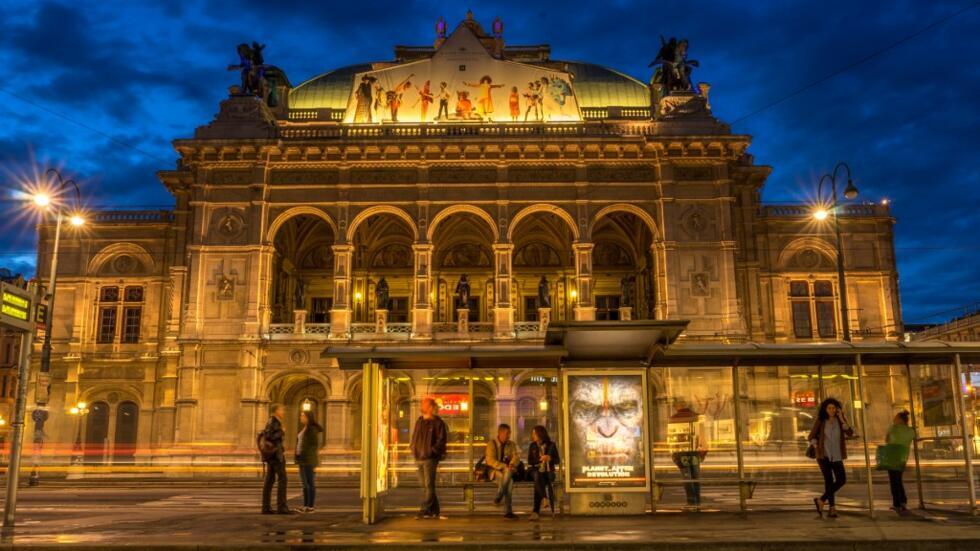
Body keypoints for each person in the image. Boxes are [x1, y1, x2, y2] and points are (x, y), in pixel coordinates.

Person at [808, 397, 855, 518]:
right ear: (825, 409)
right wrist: (815, 444)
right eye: (829, 408)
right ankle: (832, 508)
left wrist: (841, 418)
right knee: (828, 481)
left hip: (837, 455)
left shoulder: (840, 421)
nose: (831, 410)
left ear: (837, 409)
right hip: (824, 455)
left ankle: (821, 500)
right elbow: (811, 436)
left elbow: (850, 432)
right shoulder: (821, 420)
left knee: (841, 480)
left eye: (834, 408)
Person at [410, 397, 448, 519]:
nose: (422, 405)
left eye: (424, 404)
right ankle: (435, 510)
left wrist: (431, 451)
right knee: (426, 485)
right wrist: (413, 449)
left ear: (431, 407)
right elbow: (414, 438)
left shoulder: (438, 423)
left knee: (428, 485)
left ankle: (424, 509)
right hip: (419, 458)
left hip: (430, 459)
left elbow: (441, 440)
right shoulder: (419, 421)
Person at [261, 403, 292, 514]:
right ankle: (281, 507)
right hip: (275, 454)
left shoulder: (273, 421)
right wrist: (281, 431)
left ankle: (266, 507)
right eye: (282, 410)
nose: (283, 412)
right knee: (282, 479)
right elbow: (269, 436)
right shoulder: (273, 421)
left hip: (273, 454)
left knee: (270, 480)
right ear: (276, 411)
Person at [485, 423, 519, 519]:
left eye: (510, 433)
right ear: (500, 433)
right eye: (507, 433)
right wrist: (504, 466)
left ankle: (499, 496)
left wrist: (512, 464)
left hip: (507, 471)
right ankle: (508, 511)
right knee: (509, 480)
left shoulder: (511, 444)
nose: (509, 435)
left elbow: (516, 457)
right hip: (494, 471)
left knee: (509, 479)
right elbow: (490, 460)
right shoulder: (491, 444)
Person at [884, 410, 915, 514]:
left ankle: (897, 504)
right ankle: (903, 501)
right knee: (898, 480)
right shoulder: (910, 430)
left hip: (893, 457)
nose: (894, 420)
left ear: (900, 420)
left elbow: (887, 440)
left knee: (894, 481)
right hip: (903, 458)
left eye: (896, 418)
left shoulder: (893, 428)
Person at [527, 425, 559, 520]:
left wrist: (550, 458)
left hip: (548, 472)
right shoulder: (532, 445)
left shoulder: (551, 445)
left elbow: (557, 460)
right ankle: (544, 498)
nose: (533, 435)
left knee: (538, 481)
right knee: (537, 476)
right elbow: (529, 461)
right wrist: (539, 459)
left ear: (540, 434)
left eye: (534, 433)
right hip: (535, 470)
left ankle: (536, 512)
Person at [295, 409, 323, 513]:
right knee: (305, 483)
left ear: (308, 418)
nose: (300, 417)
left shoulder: (311, 430)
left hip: (308, 460)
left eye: (302, 416)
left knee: (309, 483)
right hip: (303, 459)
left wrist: (307, 458)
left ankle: (310, 506)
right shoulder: (305, 428)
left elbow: (313, 446)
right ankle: (306, 505)